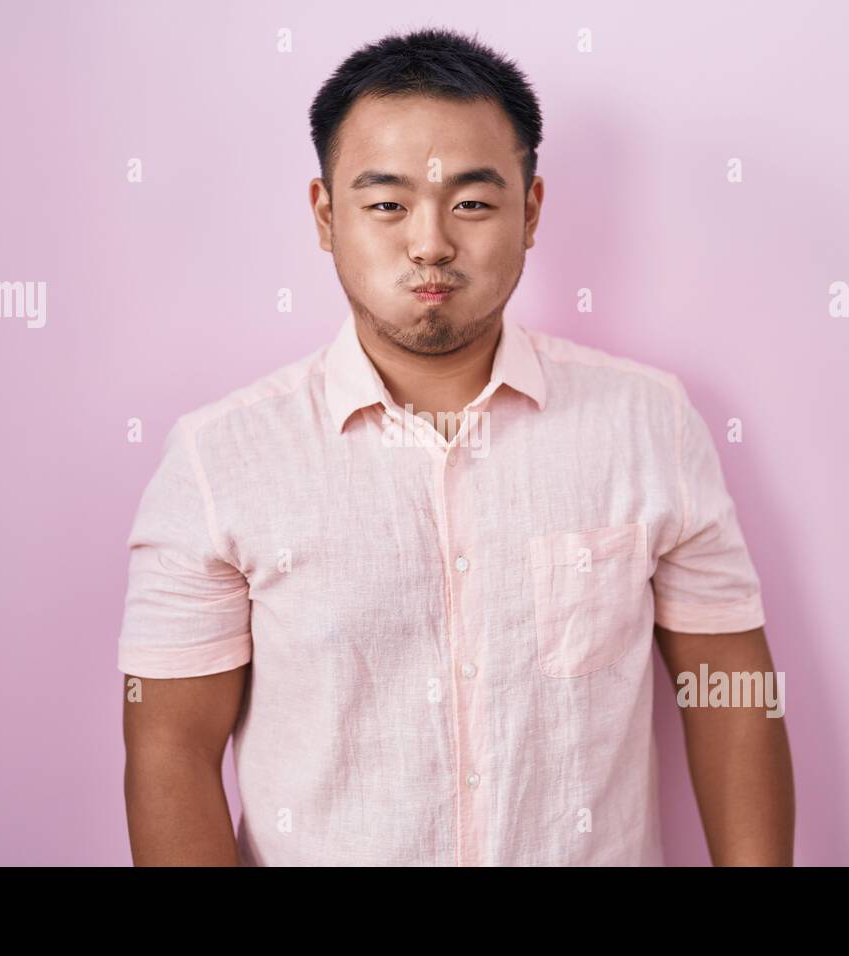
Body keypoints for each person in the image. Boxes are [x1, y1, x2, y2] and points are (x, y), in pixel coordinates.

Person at [118, 26, 794, 866]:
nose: (430, 243)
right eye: (387, 204)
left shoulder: (646, 422)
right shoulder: (220, 462)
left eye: (472, 202)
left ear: (531, 210)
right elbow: (171, 753)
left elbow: (729, 694)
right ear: (327, 217)